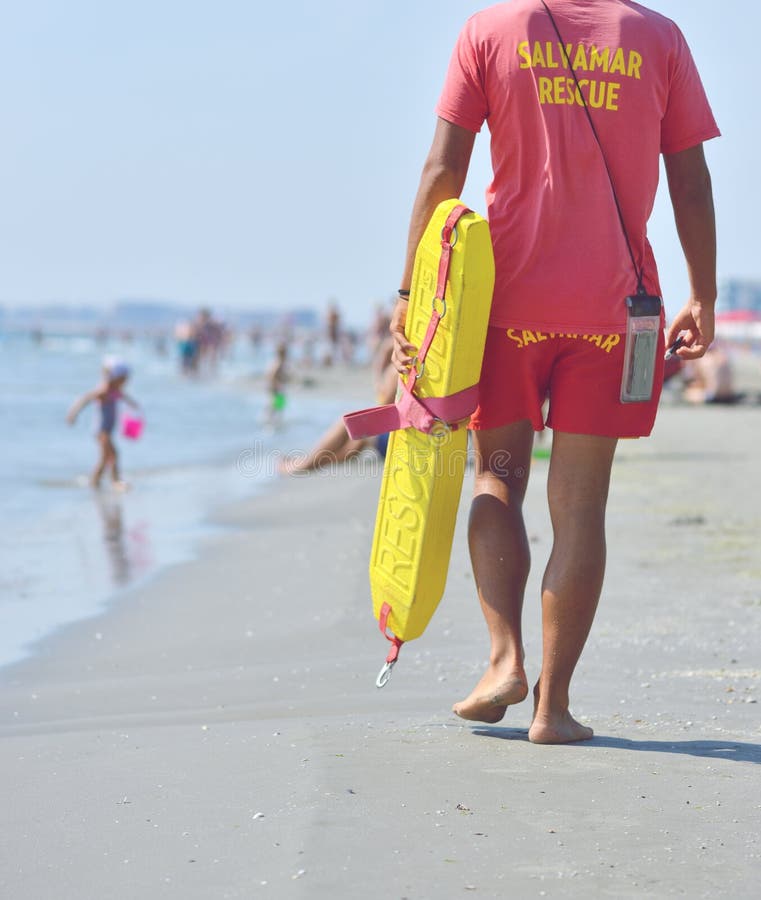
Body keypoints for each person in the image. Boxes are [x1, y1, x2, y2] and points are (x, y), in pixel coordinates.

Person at [390, 0, 719, 743]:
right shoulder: (659, 38)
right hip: (614, 312)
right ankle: (552, 707)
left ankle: (503, 659)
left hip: (501, 308)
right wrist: (702, 291)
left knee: (497, 477)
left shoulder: (489, 30)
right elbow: (690, 180)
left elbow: (443, 170)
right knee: (580, 508)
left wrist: (411, 297)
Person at [67, 357, 141, 489]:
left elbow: (123, 396)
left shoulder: (115, 390)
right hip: (101, 430)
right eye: (123, 379)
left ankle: (95, 481)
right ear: (116, 377)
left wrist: (132, 404)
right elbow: (86, 399)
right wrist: (73, 414)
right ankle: (115, 481)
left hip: (108, 430)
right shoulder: (104, 390)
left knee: (104, 457)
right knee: (113, 454)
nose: (125, 382)